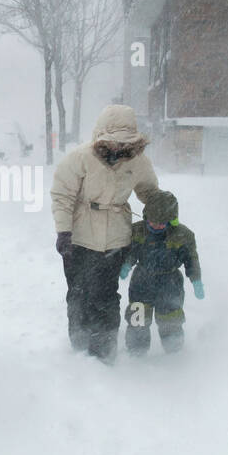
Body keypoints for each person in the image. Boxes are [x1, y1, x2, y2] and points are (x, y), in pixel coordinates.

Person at [50, 104, 158, 362]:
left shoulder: (138, 161)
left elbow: (150, 192)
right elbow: (62, 196)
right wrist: (63, 232)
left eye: (125, 144)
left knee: (105, 295)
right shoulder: (79, 159)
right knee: (78, 292)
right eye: (113, 143)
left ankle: (103, 351)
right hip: (78, 239)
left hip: (115, 239)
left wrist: (161, 212)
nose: (119, 149)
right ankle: (78, 343)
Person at [120, 190, 203, 355]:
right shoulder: (137, 231)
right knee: (138, 318)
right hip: (142, 282)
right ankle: (137, 351)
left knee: (171, 317)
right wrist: (126, 264)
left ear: (171, 220)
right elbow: (131, 252)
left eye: (161, 223)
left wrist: (196, 280)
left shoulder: (182, 235)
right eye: (152, 222)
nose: (156, 226)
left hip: (170, 282)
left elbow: (191, 259)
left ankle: (174, 350)